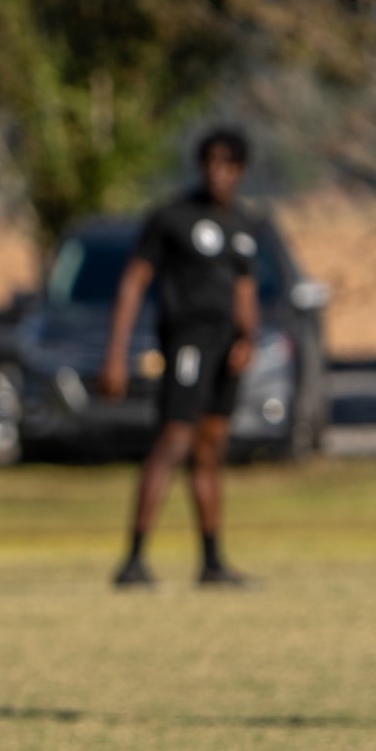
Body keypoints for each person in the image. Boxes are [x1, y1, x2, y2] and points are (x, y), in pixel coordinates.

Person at [100, 128, 260, 589]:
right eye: (210, 161)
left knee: (211, 450)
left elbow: (245, 289)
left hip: (226, 351)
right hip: (187, 341)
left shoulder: (244, 225)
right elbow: (133, 283)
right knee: (173, 442)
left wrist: (248, 337)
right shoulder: (171, 218)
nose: (217, 172)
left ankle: (212, 563)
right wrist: (116, 354)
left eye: (227, 164)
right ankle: (133, 560)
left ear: (241, 171)